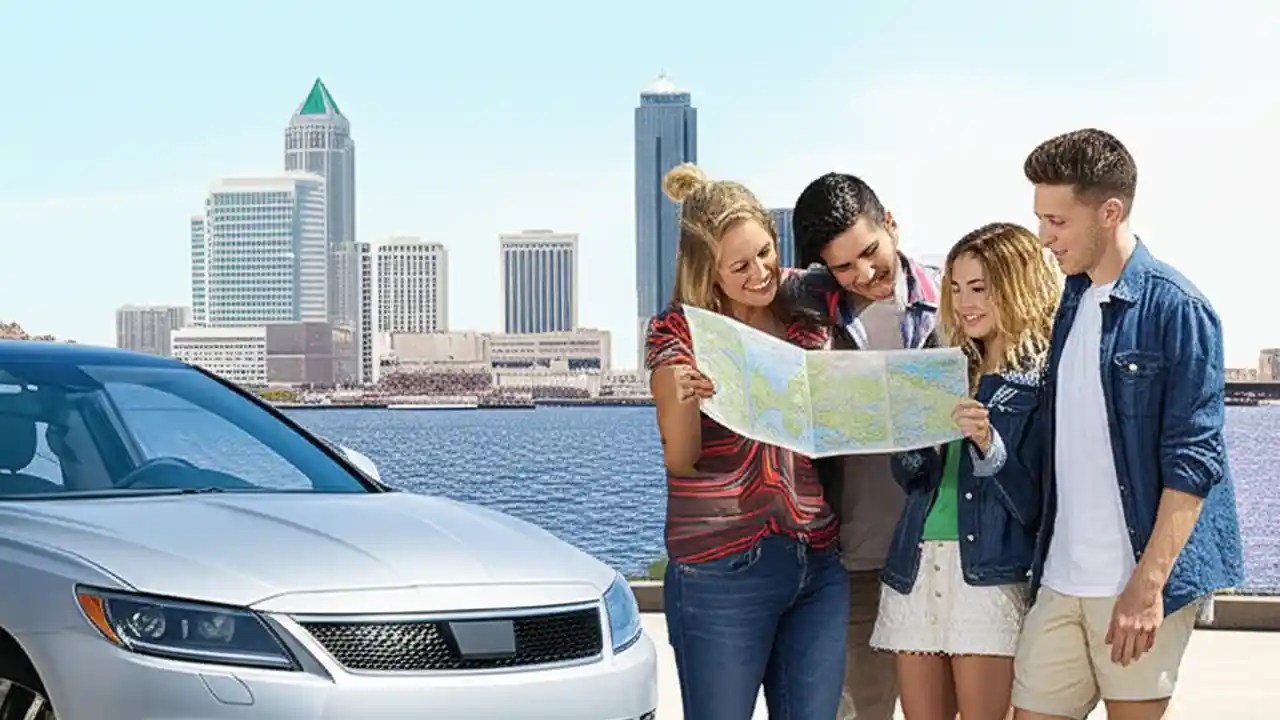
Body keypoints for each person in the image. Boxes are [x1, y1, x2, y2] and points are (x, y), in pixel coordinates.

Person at [1012, 128, 1245, 720]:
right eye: (1041, 219)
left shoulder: (1179, 308)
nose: (1044, 238)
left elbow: (1194, 461)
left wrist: (1147, 589)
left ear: (1109, 211)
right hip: (1062, 578)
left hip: (1135, 584)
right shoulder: (1071, 301)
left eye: (1058, 222)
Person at [645, 162, 849, 719]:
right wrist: (685, 401)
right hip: (722, 568)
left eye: (765, 252)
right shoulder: (676, 333)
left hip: (817, 559)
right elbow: (682, 462)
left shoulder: (807, 318)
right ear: (706, 268)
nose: (761, 272)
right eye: (739, 265)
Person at [872, 222, 1060, 720]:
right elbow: (914, 480)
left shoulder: (1042, 381)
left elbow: (1035, 504)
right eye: (956, 288)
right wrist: (909, 439)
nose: (965, 302)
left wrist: (987, 443)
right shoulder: (943, 364)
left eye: (980, 288)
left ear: (1017, 287)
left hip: (988, 578)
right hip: (913, 569)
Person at [786, 172, 943, 720]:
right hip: (853, 555)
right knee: (857, 711)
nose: (863, 274)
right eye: (843, 266)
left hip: (942, 552)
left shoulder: (955, 297)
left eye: (870, 253)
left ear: (892, 224)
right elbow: (731, 274)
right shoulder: (808, 301)